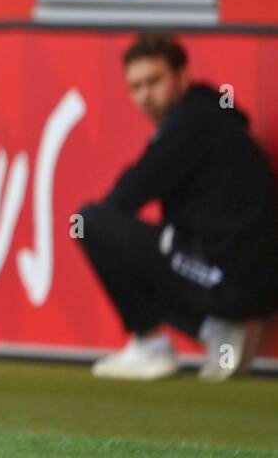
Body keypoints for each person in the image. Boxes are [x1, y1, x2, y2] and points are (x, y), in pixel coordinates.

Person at [77, 33, 278, 381]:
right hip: (245, 279)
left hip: (234, 282)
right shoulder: (210, 117)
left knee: (90, 223)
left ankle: (156, 344)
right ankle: (216, 325)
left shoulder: (192, 125)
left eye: (154, 81)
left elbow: (120, 203)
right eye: (135, 87)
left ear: (182, 76)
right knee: (127, 235)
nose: (145, 96)